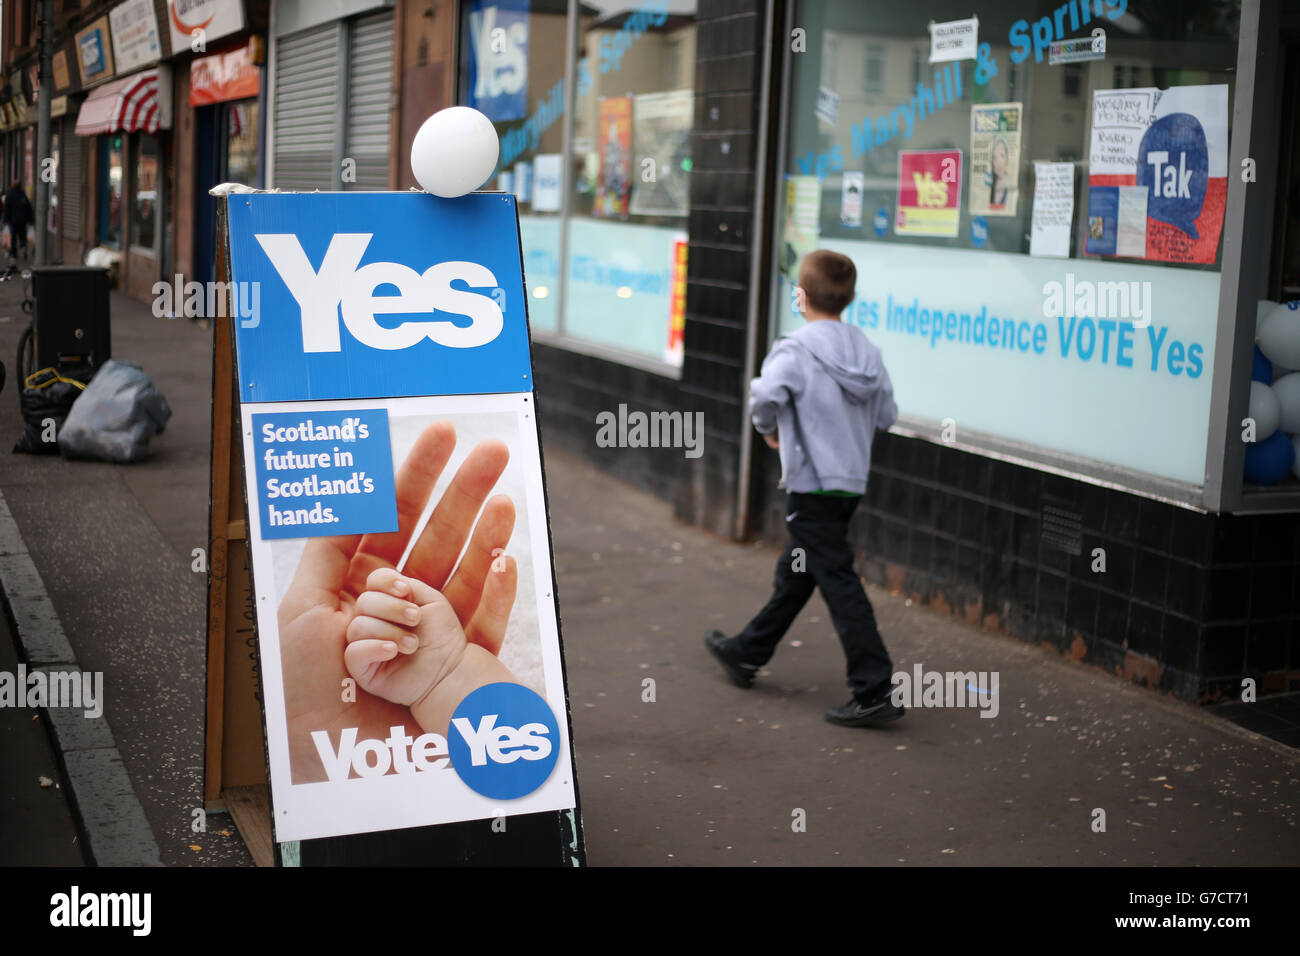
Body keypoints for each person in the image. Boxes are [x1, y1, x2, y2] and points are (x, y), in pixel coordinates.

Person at [705, 250, 903, 727]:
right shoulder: (867, 350)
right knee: (801, 568)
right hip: (849, 482)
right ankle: (747, 651)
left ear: (804, 295)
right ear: (850, 297)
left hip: (812, 481)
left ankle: (874, 686)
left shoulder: (795, 348)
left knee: (836, 576)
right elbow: (887, 415)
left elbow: (765, 396)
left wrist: (769, 430)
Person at [3, 181, 33, 262]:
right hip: (22, 221)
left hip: (13, 221)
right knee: (22, 235)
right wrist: (30, 220)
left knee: (13, 238)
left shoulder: (9, 195)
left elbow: (6, 209)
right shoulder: (22, 195)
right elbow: (28, 208)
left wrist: (6, 220)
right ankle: (23, 248)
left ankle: (14, 255)